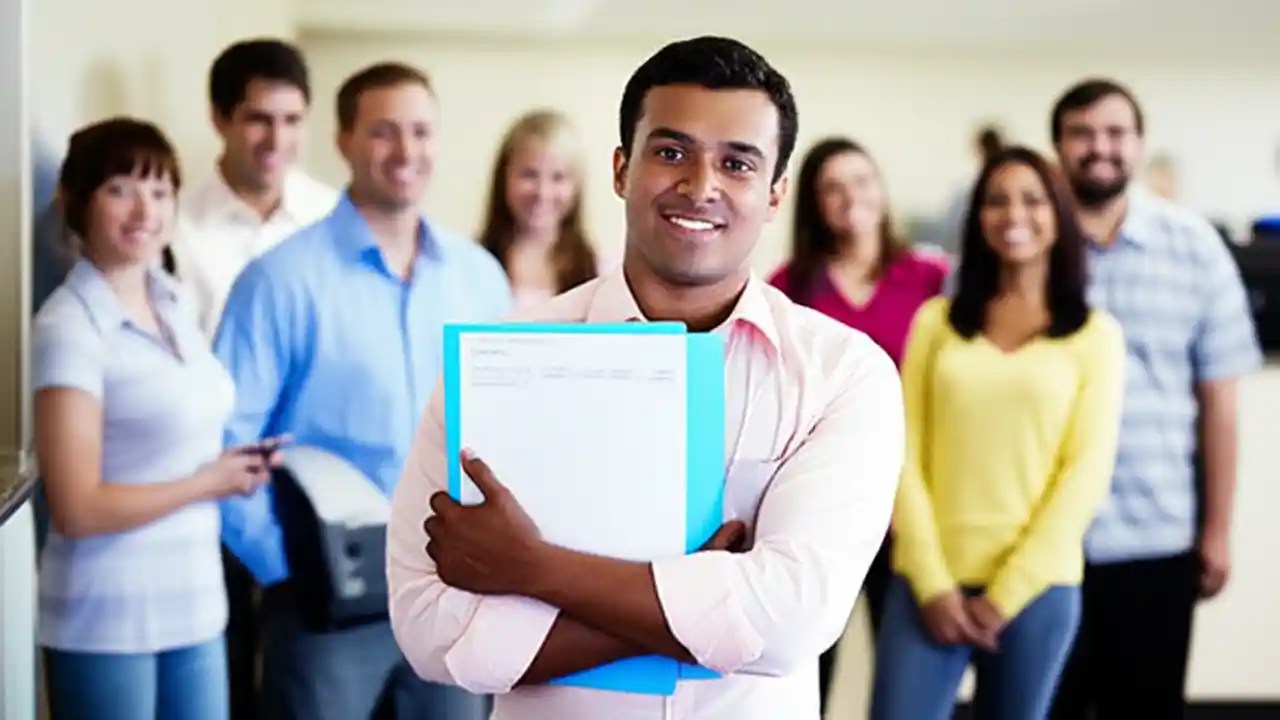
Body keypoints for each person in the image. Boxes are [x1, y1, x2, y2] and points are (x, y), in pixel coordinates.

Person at [387, 35, 905, 720]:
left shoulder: (843, 372)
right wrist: (704, 598)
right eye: (670, 153)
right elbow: (434, 636)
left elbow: (790, 622)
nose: (700, 185)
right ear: (621, 169)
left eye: (738, 163)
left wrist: (531, 567)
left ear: (777, 193)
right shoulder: (502, 359)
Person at [213, 62, 509, 720]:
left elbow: (507, 428)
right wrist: (290, 572)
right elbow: (225, 445)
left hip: (451, 598)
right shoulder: (280, 281)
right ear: (343, 140)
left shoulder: (480, 278)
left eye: (421, 132)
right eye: (383, 132)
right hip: (326, 612)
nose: (406, 152)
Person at [31, 117, 281, 720]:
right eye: (121, 189)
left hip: (194, 605)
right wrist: (208, 482)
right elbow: (77, 507)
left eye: (161, 190)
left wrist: (234, 467)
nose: (145, 208)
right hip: (107, 617)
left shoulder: (174, 300)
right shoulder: (69, 327)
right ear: (78, 203)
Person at [869, 145, 1124, 720]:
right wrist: (932, 581)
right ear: (977, 216)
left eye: (1033, 200)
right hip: (927, 580)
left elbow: (1085, 474)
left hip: (1038, 589)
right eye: (996, 200)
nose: (1014, 214)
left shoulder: (1095, 336)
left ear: (1058, 214)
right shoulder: (936, 322)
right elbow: (904, 454)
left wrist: (1006, 596)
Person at [1047, 78, 1262, 720]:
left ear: (1139, 145)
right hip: (1040, 543)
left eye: (1115, 133)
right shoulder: (1022, 240)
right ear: (1058, 145)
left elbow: (1220, 403)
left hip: (1156, 539)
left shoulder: (1194, 247)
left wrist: (1217, 531)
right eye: (1082, 133)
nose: (1100, 148)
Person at [766, 136, 947, 709]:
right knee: (807, 663)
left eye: (862, 182)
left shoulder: (931, 280)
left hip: (913, 509)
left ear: (882, 190)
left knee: (903, 678)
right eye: (832, 188)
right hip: (820, 507)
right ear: (813, 203)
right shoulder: (789, 288)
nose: (850, 198)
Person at [170, 38, 337, 339]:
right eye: (259, 120)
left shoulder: (336, 217)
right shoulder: (173, 227)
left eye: (292, 120)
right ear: (219, 119)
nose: (277, 140)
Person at [479, 109, 601, 310]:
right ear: (503, 178)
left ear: (577, 187)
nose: (543, 192)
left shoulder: (600, 272)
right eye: (529, 175)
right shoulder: (469, 265)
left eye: (558, 177)